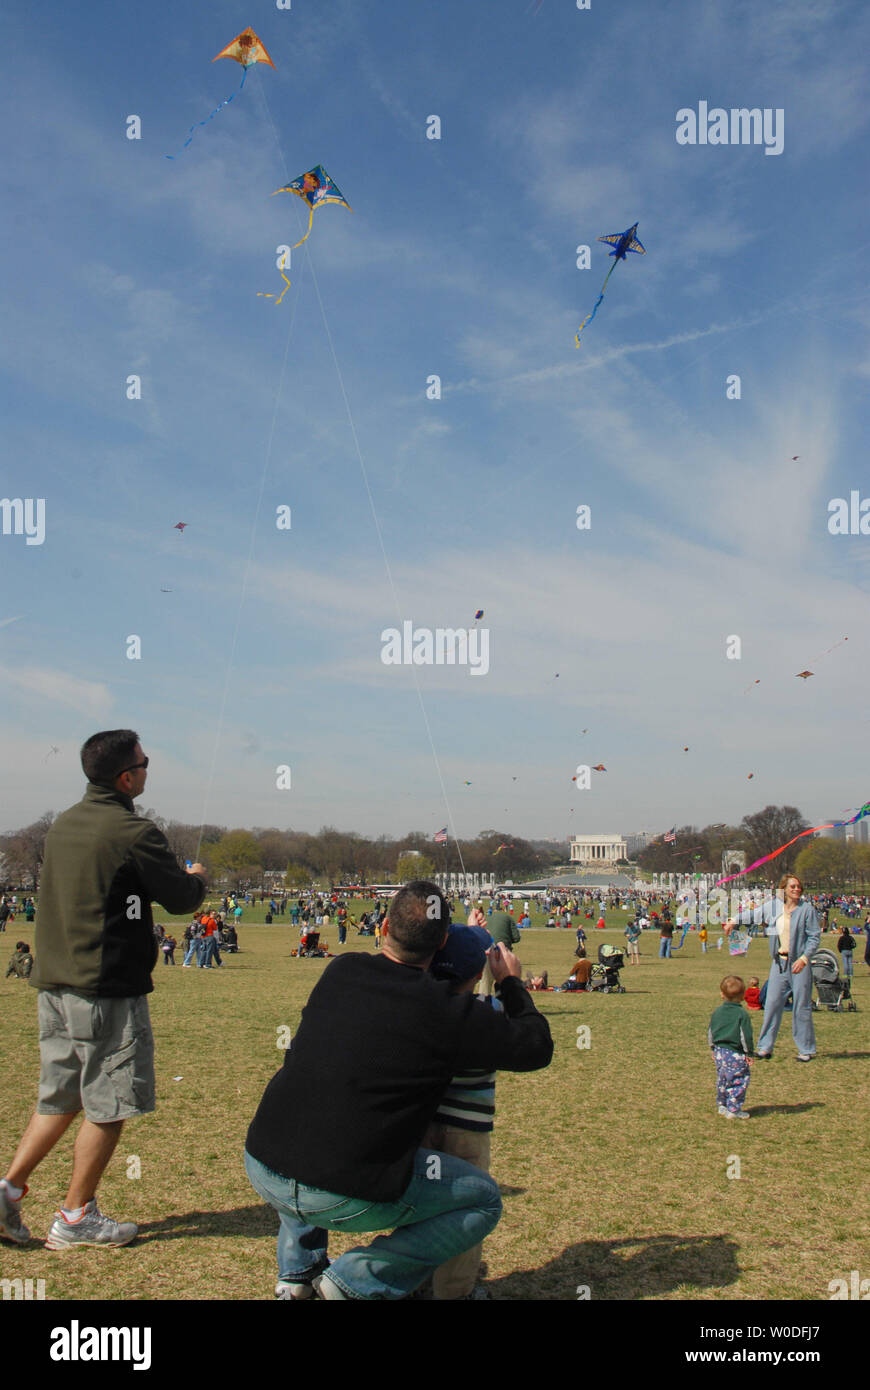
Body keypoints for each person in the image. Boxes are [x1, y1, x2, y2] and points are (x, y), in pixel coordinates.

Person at [244, 881, 553, 1300]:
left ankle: (298, 1275)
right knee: (482, 1200)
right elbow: (536, 1047)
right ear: (442, 941)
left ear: (384, 925)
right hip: (339, 1188)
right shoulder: (447, 1012)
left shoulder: (342, 969)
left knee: (314, 1120)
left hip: (265, 1163)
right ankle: (355, 1279)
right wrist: (512, 984)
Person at [0, 729, 206, 1250]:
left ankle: (7, 1189)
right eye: (144, 762)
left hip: (54, 986)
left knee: (61, 1095)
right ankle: (75, 1218)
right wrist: (196, 877)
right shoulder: (133, 830)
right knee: (110, 1104)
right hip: (103, 989)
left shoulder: (64, 823)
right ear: (126, 777)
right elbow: (182, 900)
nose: (147, 768)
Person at [422, 924, 501, 1300]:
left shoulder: (415, 1005)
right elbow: (533, 1039)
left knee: (421, 1204)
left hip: (420, 1122)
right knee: (466, 1209)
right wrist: (509, 982)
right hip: (468, 1126)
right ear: (478, 974)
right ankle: (454, 1291)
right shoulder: (489, 1010)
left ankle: (416, 1278)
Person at [750, 874, 820, 1062]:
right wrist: (733, 921)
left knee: (801, 1006)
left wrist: (805, 958)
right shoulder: (775, 908)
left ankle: (805, 1049)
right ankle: (765, 1047)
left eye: (798, 886)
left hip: (799, 964)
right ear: (784, 889)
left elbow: (814, 937)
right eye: (793, 886)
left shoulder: (807, 910)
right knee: (771, 1004)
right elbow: (753, 914)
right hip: (779, 963)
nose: (797, 889)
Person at [708, 975, 754, 1118]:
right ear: (742, 996)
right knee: (737, 1080)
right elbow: (745, 1036)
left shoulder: (717, 1012)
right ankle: (733, 1109)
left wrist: (712, 1047)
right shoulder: (741, 1014)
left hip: (719, 1051)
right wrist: (749, 1053)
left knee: (722, 1078)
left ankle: (722, 1104)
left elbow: (711, 1031)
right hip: (735, 1052)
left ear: (722, 994)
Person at [477, 909, 521, 996]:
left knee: (485, 983)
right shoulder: (509, 918)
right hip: (503, 952)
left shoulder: (487, 919)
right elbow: (516, 938)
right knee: (504, 982)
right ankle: (502, 1002)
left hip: (488, 951)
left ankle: (482, 1003)